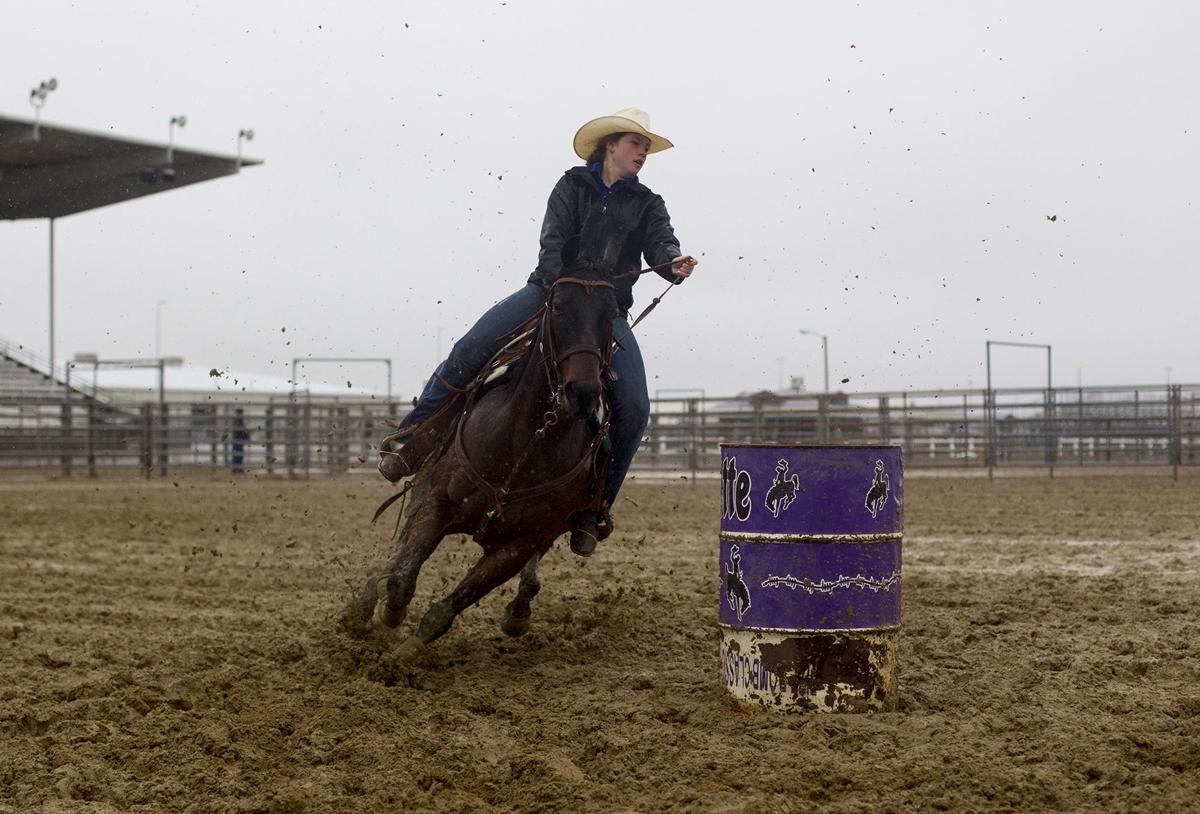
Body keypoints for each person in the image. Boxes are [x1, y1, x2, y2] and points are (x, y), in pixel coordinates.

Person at [380, 107, 698, 555]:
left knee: (634, 406)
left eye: (646, 147)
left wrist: (672, 262)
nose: (642, 152)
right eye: (636, 143)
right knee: (471, 348)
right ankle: (412, 441)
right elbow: (552, 243)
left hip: (604, 309)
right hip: (549, 292)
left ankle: (594, 508)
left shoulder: (648, 203)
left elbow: (660, 242)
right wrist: (561, 290)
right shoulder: (571, 185)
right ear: (611, 145)